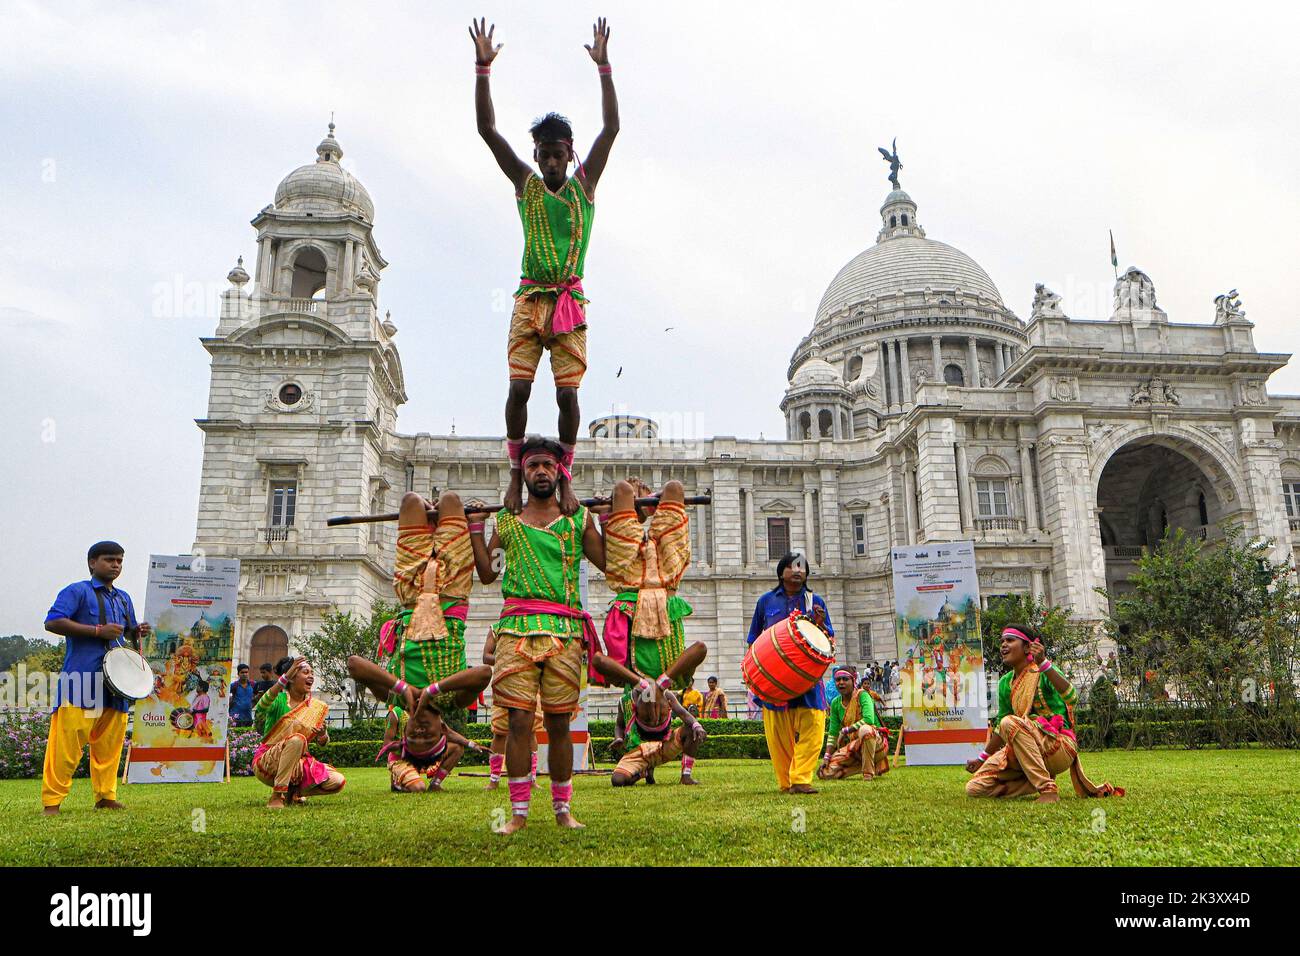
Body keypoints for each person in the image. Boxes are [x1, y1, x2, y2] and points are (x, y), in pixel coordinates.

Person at [470, 17, 620, 515]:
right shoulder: (527, 185)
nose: (550, 162)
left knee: (567, 399)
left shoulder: (584, 188)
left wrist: (604, 67)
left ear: (568, 154)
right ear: (536, 154)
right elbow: (486, 130)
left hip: (570, 304)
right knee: (517, 388)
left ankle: (567, 477)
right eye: (544, 155)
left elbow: (612, 128)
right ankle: (515, 474)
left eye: (557, 155)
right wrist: (482, 70)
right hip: (530, 298)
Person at [471, 436, 607, 832]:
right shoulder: (509, 521)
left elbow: (609, 565)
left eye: (548, 465)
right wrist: (477, 528)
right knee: (517, 720)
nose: (541, 472)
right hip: (515, 627)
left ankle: (563, 809)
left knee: (560, 722)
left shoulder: (577, 520)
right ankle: (518, 812)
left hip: (565, 628)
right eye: (533, 466)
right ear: (523, 473)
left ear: (559, 471)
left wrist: (607, 519)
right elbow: (488, 573)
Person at [347, 490, 492, 724]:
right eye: (428, 736)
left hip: (412, 593)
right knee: (451, 501)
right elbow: (484, 674)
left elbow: (354, 664)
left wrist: (403, 688)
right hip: (452, 592)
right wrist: (433, 690)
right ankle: (437, 514)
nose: (421, 730)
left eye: (414, 735)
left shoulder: (396, 698)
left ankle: (427, 513)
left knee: (410, 502)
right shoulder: (451, 700)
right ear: (441, 730)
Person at [40, 541, 152, 815]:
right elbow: (52, 622)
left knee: (110, 743)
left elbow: (125, 633)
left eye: (120, 561)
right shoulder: (77, 591)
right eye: (109, 559)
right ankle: (52, 802)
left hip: (117, 682)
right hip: (81, 679)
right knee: (66, 744)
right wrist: (96, 631)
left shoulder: (123, 598)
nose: (116, 565)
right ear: (92, 562)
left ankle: (105, 796)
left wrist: (136, 631)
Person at [965, 624, 1124, 802]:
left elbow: (1071, 698)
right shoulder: (1004, 683)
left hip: (1058, 746)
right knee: (975, 788)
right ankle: (1036, 778)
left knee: (1010, 722)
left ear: (1028, 647)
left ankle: (1047, 789)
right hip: (1025, 750)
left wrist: (1043, 663)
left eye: (1010, 640)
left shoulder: (1044, 670)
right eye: (1002, 641)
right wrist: (982, 758)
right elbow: (1001, 728)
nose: (1003, 645)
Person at [599, 477, 701, 688]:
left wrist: (640, 684)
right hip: (667, 580)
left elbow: (600, 662)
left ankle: (635, 506)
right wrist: (663, 682)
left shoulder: (631, 683)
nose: (654, 707)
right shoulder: (676, 682)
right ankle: (645, 505)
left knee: (622, 490)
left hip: (630, 580)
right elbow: (700, 648)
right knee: (675, 487)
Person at [746, 552, 834, 795]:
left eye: (802, 567)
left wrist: (819, 624)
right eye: (792, 567)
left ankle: (802, 779)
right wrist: (756, 675)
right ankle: (786, 783)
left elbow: (827, 639)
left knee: (815, 725)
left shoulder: (815, 601)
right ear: (781, 571)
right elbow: (754, 639)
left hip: (808, 677)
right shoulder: (765, 601)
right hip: (775, 676)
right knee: (778, 733)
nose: (797, 571)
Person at [595, 645, 708, 786]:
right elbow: (619, 725)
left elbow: (684, 714)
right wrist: (618, 738)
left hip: (664, 745)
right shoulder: (625, 701)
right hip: (638, 750)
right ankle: (642, 772)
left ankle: (686, 776)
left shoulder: (667, 695)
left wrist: (697, 726)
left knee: (691, 728)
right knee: (618, 780)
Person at [252, 656, 345, 809]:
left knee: (337, 781)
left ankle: (292, 793)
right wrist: (285, 676)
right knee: (297, 740)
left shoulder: (314, 707)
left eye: (312, 673)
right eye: (305, 672)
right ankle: (277, 795)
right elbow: (262, 705)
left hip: (298, 766)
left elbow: (323, 743)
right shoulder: (279, 700)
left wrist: (322, 735)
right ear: (292, 677)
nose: (311, 676)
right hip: (268, 763)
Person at [482, 627, 543, 790]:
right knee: (500, 733)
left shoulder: (534, 626)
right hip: (504, 684)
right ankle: (494, 780)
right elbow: (486, 656)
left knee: (530, 732)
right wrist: (508, 660)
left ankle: (532, 780)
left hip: (530, 685)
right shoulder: (497, 628)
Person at [379, 694, 480, 793]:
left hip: (423, 757)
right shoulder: (396, 713)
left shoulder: (429, 711)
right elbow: (387, 745)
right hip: (401, 760)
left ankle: (435, 784)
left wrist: (471, 744)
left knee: (457, 748)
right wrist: (409, 748)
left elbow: (447, 732)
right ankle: (397, 782)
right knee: (419, 788)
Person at [818, 668, 889, 781]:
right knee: (824, 773)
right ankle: (860, 767)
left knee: (865, 730)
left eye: (845, 679)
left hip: (876, 743)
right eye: (838, 680)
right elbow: (832, 733)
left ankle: (868, 774)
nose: (841, 682)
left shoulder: (863, 695)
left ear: (853, 681)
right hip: (855, 748)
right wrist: (826, 757)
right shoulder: (836, 703)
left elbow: (868, 720)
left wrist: (846, 730)